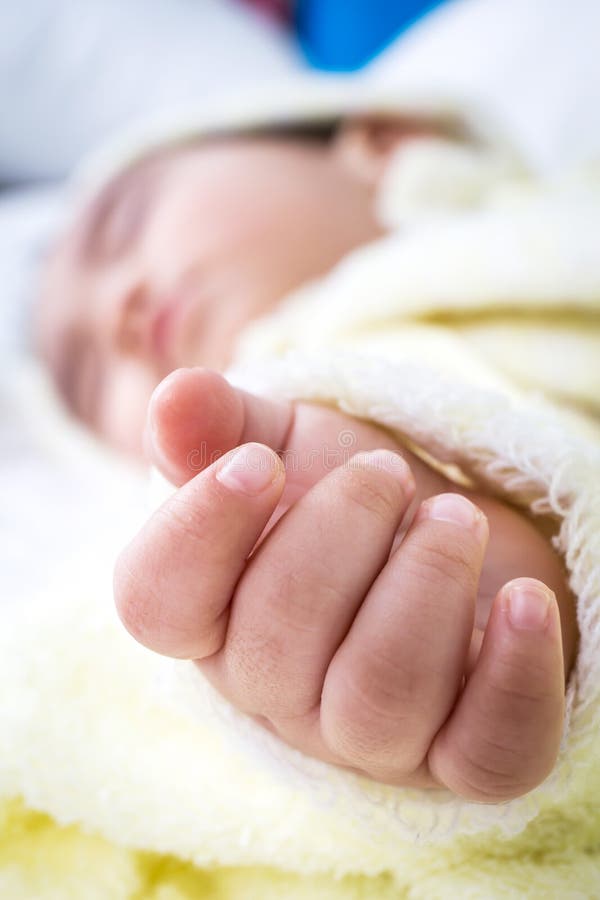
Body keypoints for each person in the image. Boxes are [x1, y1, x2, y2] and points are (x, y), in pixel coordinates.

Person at [8, 83, 600, 897]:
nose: (115, 310)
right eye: (84, 375)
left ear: (382, 141)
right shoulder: (195, 498)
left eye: (124, 225)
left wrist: (561, 542)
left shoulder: (552, 233)